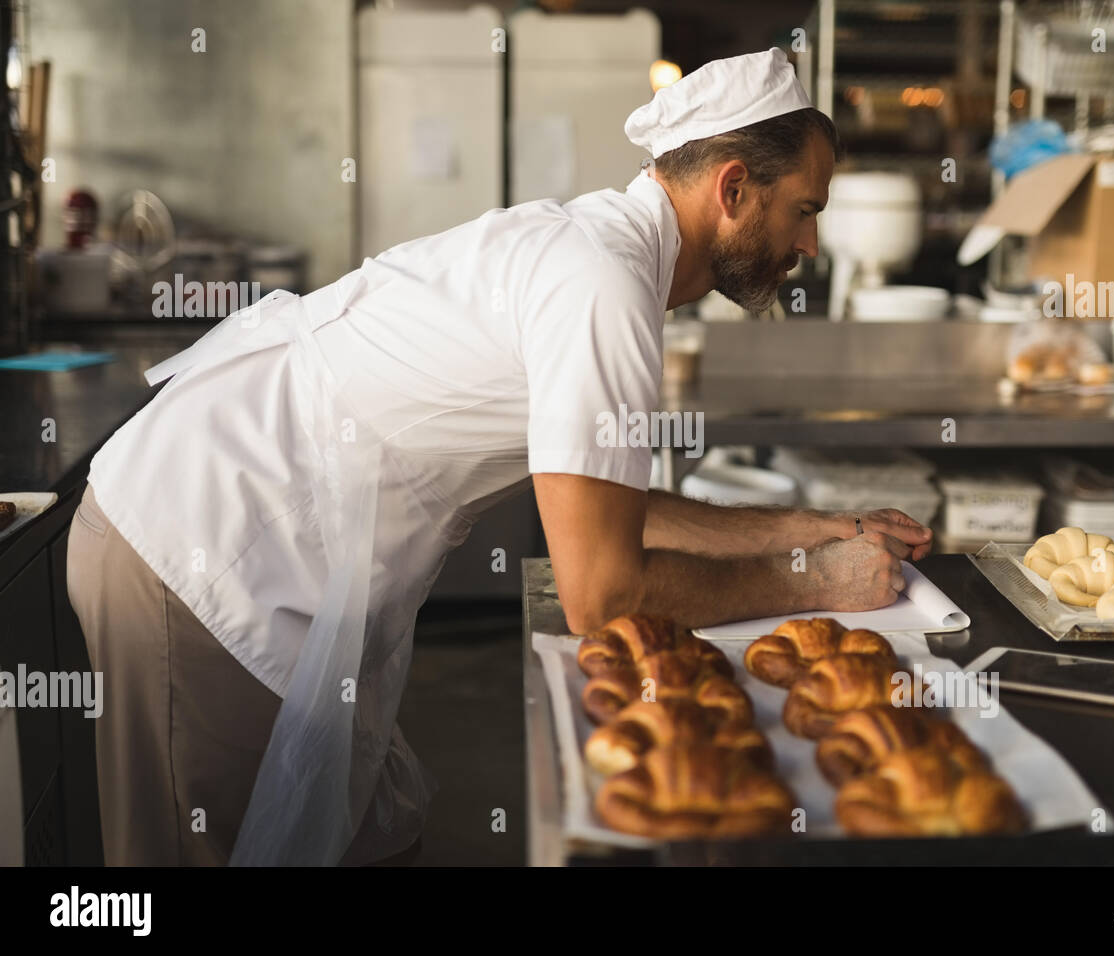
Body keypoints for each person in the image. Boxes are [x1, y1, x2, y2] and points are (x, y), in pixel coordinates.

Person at [65, 47, 933, 867]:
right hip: (205, 550)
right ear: (735, 189)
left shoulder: (601, 257)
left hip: (270, 555)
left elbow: (603, 498)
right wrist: (815, 583)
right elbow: (604, 594)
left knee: (376, 835)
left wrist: (815, 527)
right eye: (806, 211)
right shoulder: (602, 281)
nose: (810, 246)